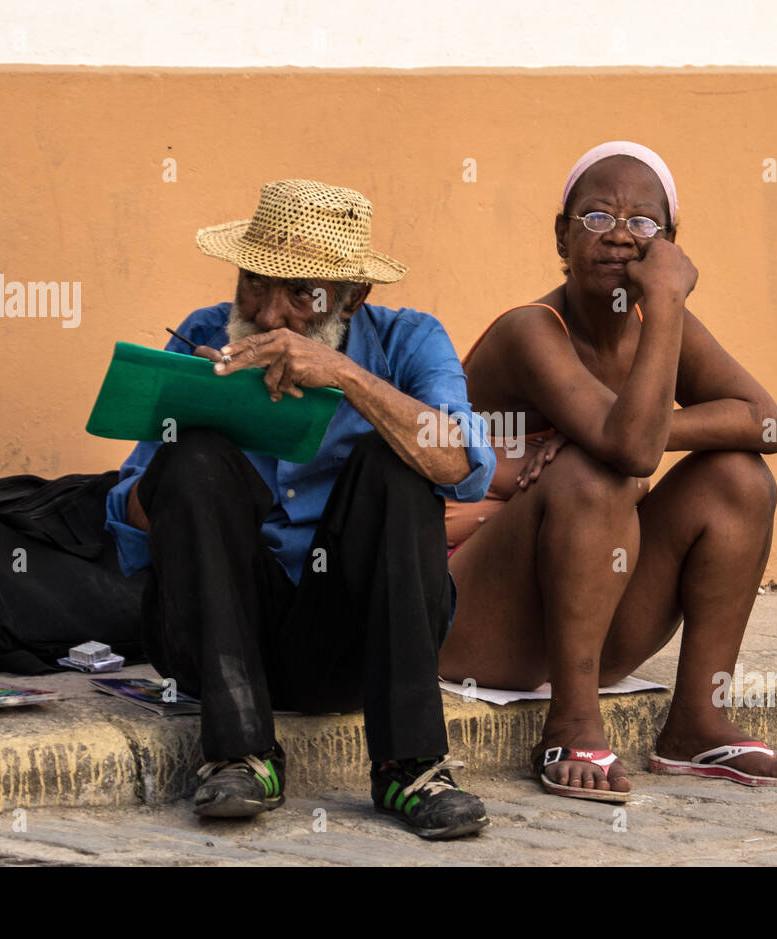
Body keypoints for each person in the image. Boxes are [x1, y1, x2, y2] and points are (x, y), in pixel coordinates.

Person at [104, 179, 495, 839]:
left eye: (301, 294)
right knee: (192, 454)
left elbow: (461, 464)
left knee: (397, 466)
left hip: (344, 644)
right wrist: (199, 419)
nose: (269, 314)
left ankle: (412, 769)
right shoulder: (203, 335)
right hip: (216, 638)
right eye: (255, 283)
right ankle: (239, 755)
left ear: (355, 296)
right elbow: (133, 521)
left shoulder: (409, 341)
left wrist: (345, 378)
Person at [439, 142, 777, 802]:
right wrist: (665, 308)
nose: (617, 235)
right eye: (594, 218)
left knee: (739, 479)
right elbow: (628, 454)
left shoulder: (656, 324)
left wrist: (655, 353)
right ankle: (574, 722)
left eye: (642, 222)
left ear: (669, 242)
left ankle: (698, 724)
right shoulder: (532, 331)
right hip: (475, 619)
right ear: (562, 234)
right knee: (597, 471)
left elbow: (764, 421)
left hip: (589, 612)